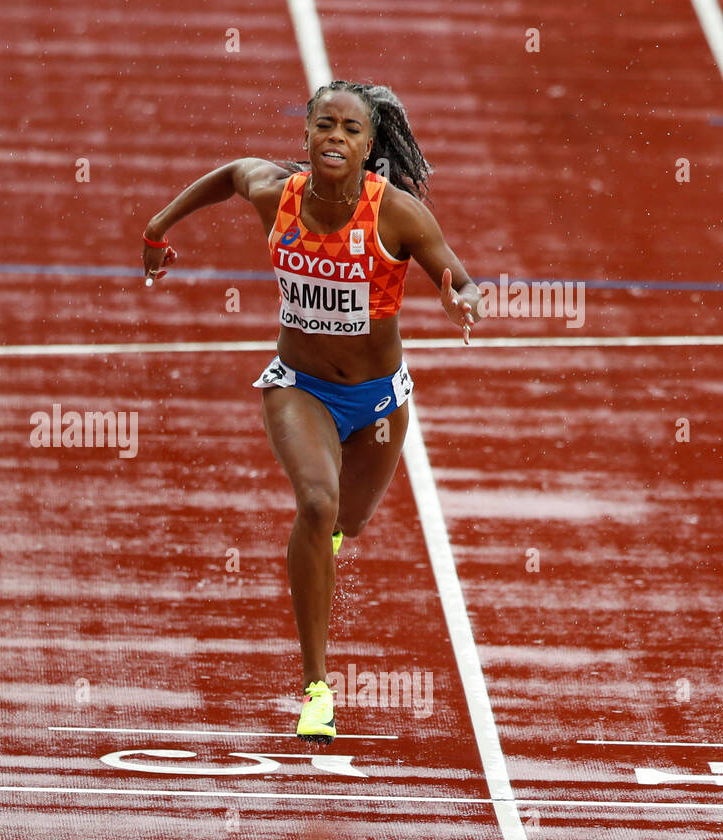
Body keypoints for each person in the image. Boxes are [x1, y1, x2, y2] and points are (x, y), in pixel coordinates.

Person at [141, 80, 478, 743]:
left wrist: (462, 301)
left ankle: (318, 550)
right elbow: (232, 174)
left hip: (380, 401)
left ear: (370, 147)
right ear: (305, 135)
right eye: (325, 125)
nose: (335, 138)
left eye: (352, 131)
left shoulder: (398, 216)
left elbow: (457, 278)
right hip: (299, 386)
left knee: (346, 522)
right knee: (319, 503)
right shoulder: (277, 194)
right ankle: (317, 687)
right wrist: (158, 228)